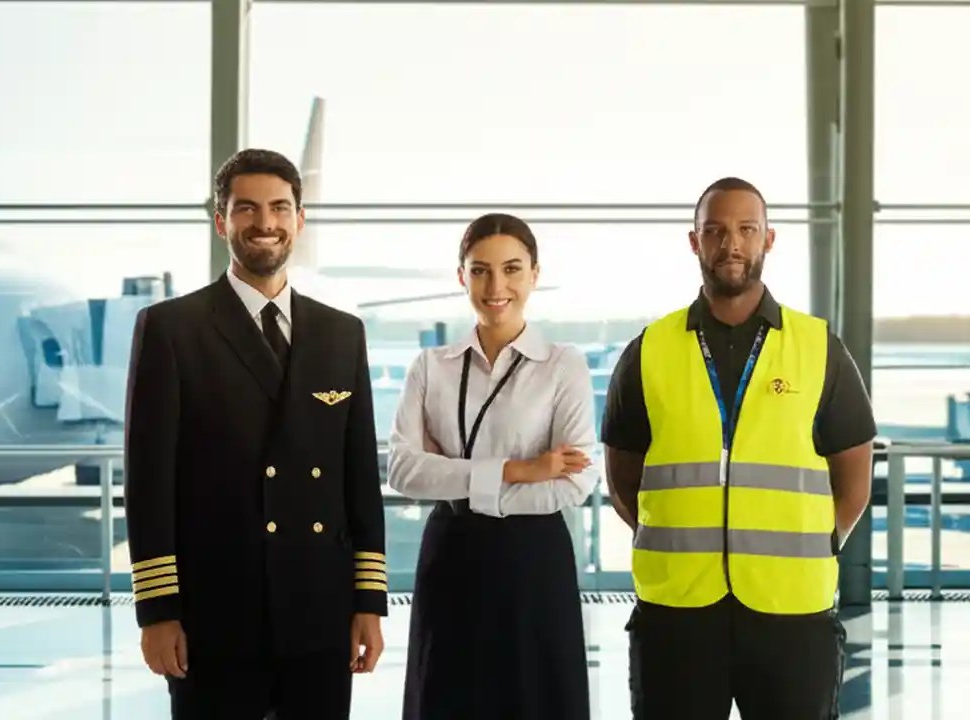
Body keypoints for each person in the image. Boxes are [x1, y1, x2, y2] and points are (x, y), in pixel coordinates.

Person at [123, 148, 387, 719]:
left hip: (319, 607)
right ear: (221, 221)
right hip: (213, 610)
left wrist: (368, 601)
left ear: (298, 220)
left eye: (278, 208)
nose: (264, 223)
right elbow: (148, 484)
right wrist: (157, 610)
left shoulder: (343, 334)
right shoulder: (172, 329)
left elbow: (359, 477)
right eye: (246, 209)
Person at [602, 177, 876, 720]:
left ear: (768, 239)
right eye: (715, 230)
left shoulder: (819, 347)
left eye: (746, 229)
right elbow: (622, 482)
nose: (731, 244)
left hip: (792, 615)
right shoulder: (649, 350)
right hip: (676, 612)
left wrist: (816, 545)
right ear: (694, 241)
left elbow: (855, 483)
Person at [387, 213, 596, 720]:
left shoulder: (561, 364)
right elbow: (402, 470)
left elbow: (575, 483)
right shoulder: (431, 367)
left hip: (534, 561)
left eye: (511, 269)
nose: (496, 286)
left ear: (534, 274)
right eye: (480, 270)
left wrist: (456, 477)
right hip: (451, 557)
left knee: (535, 701)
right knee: (446, 698)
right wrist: (520, 470)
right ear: (462, 276)